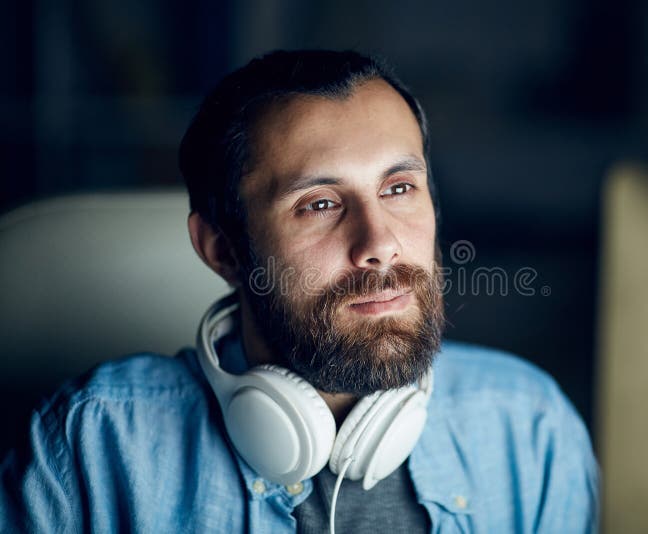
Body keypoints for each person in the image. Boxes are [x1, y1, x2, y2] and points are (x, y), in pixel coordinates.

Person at [0, 50, 598, 533]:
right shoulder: (90, 447)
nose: (380, 244)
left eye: (398, 189)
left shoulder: (529, 428)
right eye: (320, 204)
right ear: (223, 251)